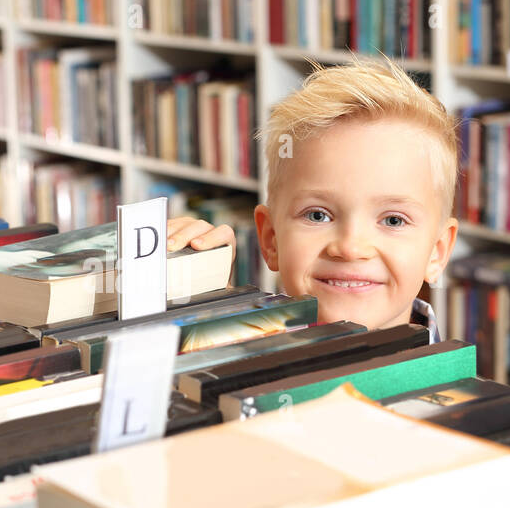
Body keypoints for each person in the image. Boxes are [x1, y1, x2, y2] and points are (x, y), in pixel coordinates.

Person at [166, 56, 459, 342]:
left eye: (393, 220)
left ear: (437, 251)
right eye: (318, 215)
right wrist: (204, 315)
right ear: (271, 239)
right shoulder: (231, 340)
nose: (350, 248)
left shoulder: (458, 385)